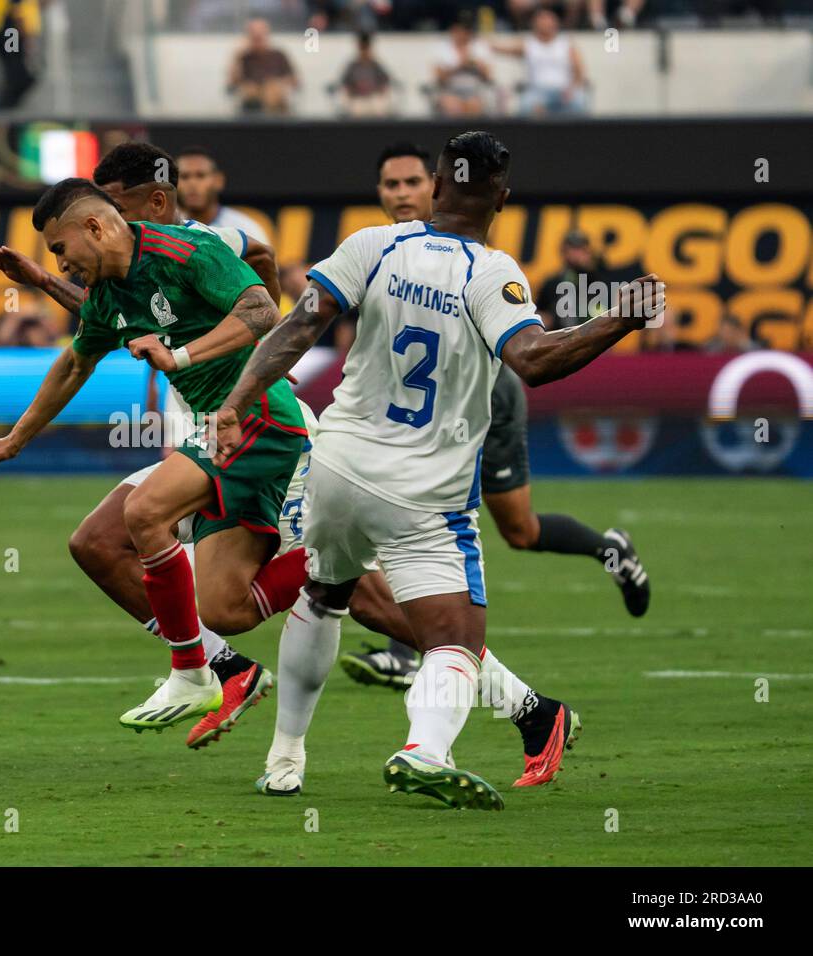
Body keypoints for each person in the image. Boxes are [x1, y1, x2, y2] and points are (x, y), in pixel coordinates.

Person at [211, 130, 664, 807]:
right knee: (454, 637)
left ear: (437, 187)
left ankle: (284, 760)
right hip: (423, 491)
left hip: (336, 463)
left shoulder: (373, 245)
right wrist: (617, 320)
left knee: (324, 596)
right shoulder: (492, 272)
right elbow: (535, 361)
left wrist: (234, 402)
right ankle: (424, 749)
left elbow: (299, 325)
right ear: (502, 200)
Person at [0, 177, 308, 735]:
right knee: (227, 607)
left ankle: (192, 670)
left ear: (96, 227)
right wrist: (15, 440)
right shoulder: (107, 296)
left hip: (258, 417)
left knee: (145, 512)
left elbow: (261, 310)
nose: (63, 263)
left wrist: (181, 355)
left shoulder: (184, 251)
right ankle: (342, 556)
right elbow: (75, 366)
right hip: (221, 433)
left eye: (60, 249)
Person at [338, 143, 650, 698]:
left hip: (481, 397)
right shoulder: (381, 249)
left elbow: (521, 348)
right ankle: (609, 549)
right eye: (391, 186)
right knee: (505, 527)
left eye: (412, 181)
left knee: (486, 522)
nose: (402, 194)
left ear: (434, 187)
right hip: (417, 414)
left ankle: (414, 651)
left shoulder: (475, 251)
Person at [494, 8, 587, 117]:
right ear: (534, 23)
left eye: (548, 19)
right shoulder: (528, 44)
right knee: (526, 105)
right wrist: (485, 43)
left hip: (564, 89)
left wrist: (572, 88)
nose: (544, 22)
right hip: (537, 91)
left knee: (578, 102)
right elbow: (505, 48)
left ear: (555, 22)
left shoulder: (566, 44)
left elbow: (579, 71)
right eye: (541, 19)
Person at [175, 145, 269, 243]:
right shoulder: (165, 228)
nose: (192, 183)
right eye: (184, 176)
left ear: (219, 181)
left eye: (200, 176)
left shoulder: (245, 230)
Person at [535, 229, 612, 330]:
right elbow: (540, 313)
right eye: (572, 249)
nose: (576, 254)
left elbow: (608, 314)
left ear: (588, 252)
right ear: (563, 252)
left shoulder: (598, 280)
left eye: (581, 249)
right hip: (560, 338)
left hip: (592, 338)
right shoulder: (552, 283)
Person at [227, 17, 298, 115]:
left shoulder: (278, 55)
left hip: (276, 101)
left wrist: (277, 84)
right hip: (251, 102)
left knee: (272, 90)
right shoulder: (243, 57)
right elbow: (231, 83)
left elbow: (294, 80)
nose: (258, 39)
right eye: (254, 35)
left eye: (260, 35)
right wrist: (237, 56)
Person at [432, 16, 495, 117]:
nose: (461, 35)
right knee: (453, 107)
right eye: (458, 31)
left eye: (465, 31)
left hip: (474, 92)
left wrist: (475, 64)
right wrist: (459, 66)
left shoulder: (479, 48)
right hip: (450, 91)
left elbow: (488, 77)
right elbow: (440, 78)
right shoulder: (442, 49)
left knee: (474, 106)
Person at [335, 32, 392, 117]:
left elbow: (385, 81)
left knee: (379, 106)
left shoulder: (375, 65)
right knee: (356, 109)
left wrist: (378, 89)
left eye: (366, 48)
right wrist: (353, 90)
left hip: (373, 97)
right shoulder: (353, 66)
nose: (364, 51)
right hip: (357, 98)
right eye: (362, 48)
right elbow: (345, 83)